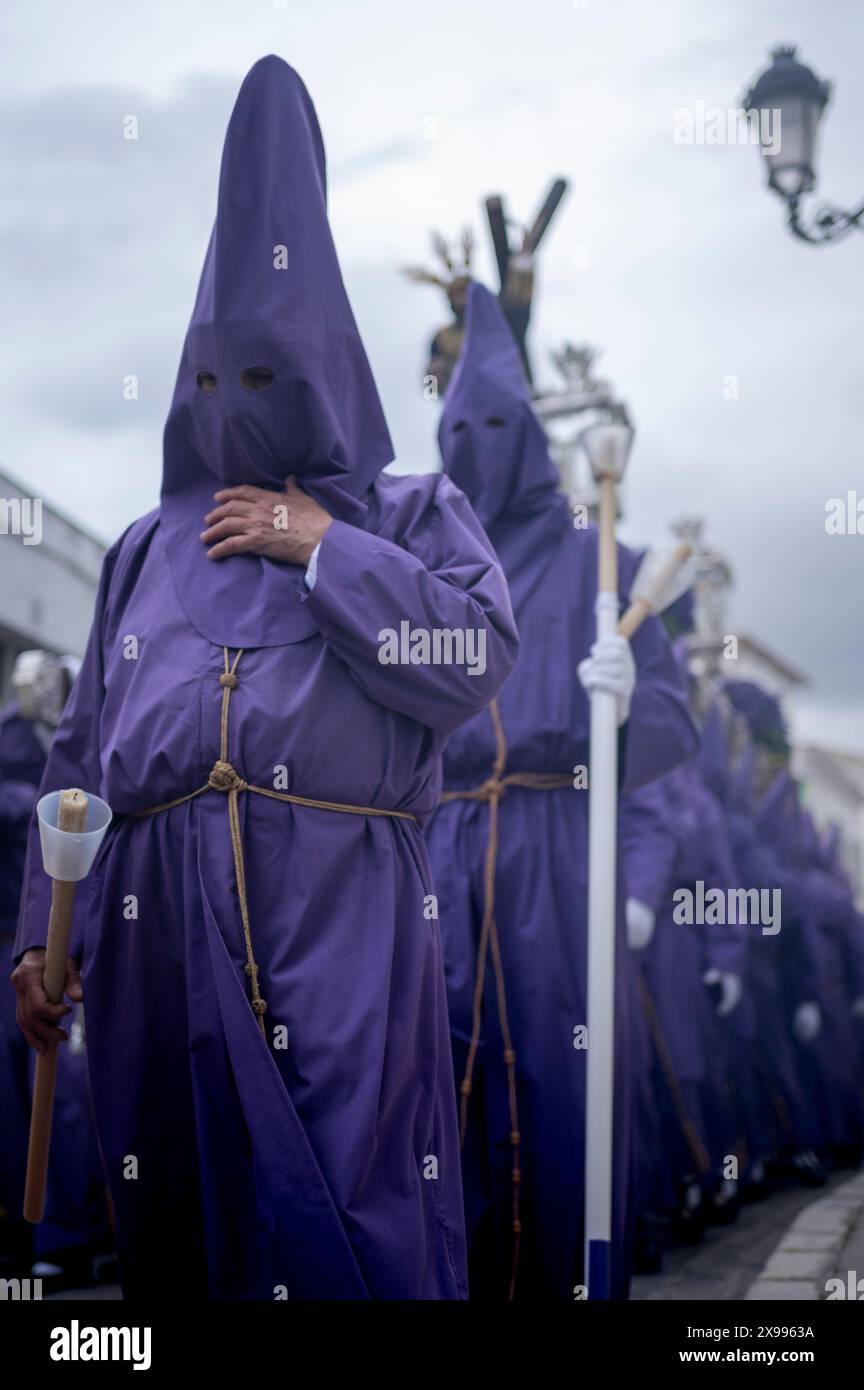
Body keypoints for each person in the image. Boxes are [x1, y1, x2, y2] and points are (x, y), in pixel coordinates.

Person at [12, 56, 518, 1300]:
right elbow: (80, 763)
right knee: (182, 1209)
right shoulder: (143, 547)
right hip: (152, 927)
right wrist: (40, 934)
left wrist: (321, 546)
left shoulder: (407, 515)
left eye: (268, 378)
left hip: (334, 914)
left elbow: (471, 655)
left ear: (325, 374)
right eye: (213, 382)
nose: (237, 407)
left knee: (349, 1206)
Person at [426, 281, 698, 1299]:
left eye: (498, 425)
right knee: (437, 1091)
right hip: (443, 857)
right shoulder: (425, 565)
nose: (478, 445)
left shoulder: (601, 560)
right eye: (461, 424)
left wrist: (628, 705)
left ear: (530, 438)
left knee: (560, 1087)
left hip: (556, 854)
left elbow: (676, 721)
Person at [0, 652, 112, 1288]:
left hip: (72, 938)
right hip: (19, 937)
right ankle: (30, 1230)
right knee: (21, 1098)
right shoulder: (14, 738)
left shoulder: (91, 738)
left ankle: (72, 1232)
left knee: (69, 1086)